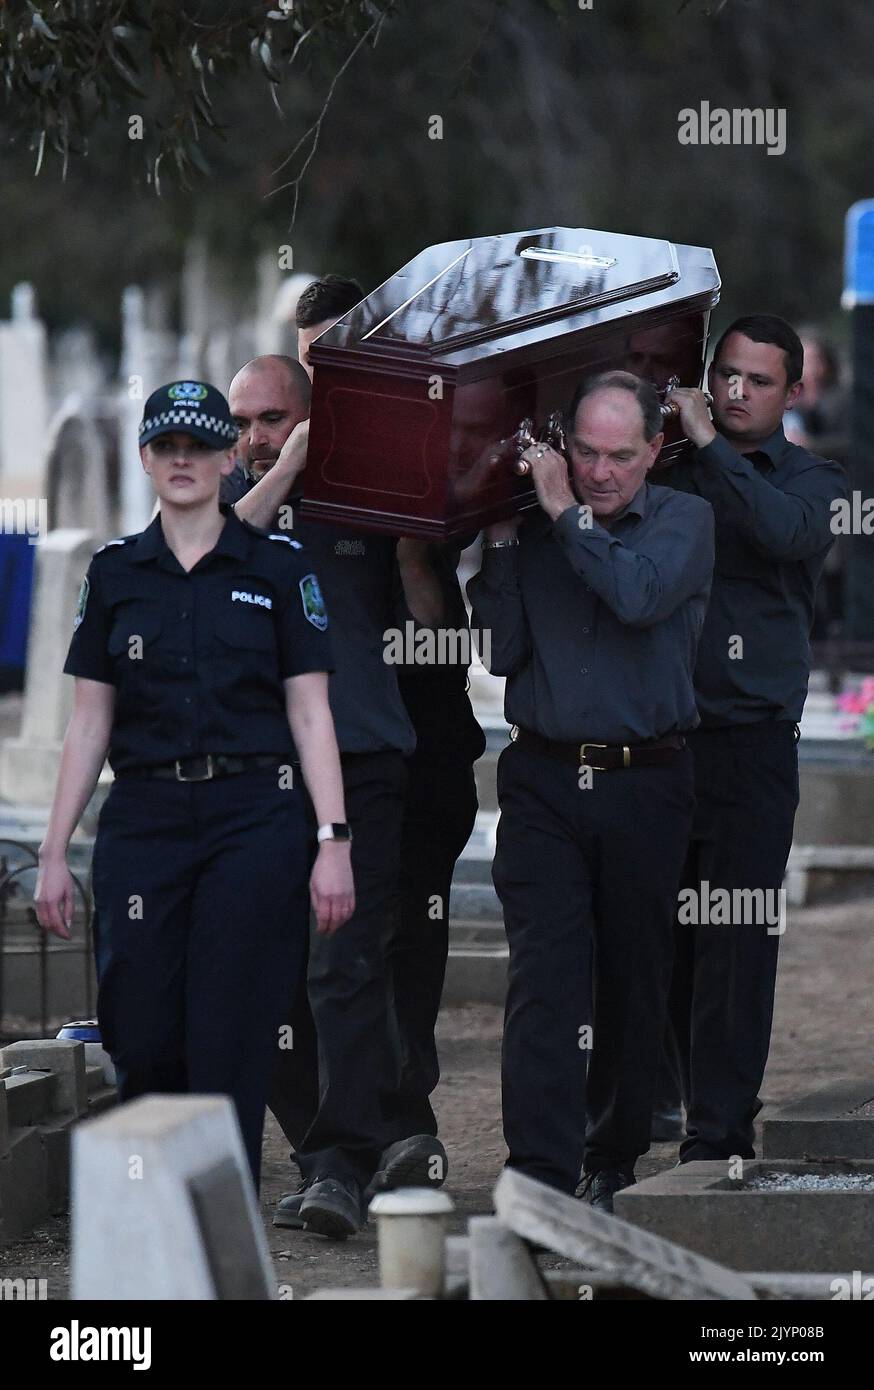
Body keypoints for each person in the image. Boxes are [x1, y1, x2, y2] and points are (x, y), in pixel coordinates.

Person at [33, 380, 354, 1189]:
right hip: (144, 819)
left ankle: (221, 1220)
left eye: (200, 447)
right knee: (138, 1027)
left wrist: (332, 841)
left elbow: (312, 713)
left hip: (255, 818)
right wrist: (52, 850)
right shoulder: (114, 575)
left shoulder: (277, 568)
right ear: (147, 458)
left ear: (224, 460)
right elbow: (89, 722)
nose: (183, 461)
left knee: (233, 1028)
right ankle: (152, 1211)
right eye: (167, 447)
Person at [467, 371, 714, 1211]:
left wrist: (566, 518)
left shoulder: (686, 521)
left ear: (654, 451)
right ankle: (537, 1167)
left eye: (619, 455)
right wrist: (502, 541)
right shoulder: (537, 530)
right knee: (545, 975)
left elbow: (638, 596)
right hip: (542, 777)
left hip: (647, 779)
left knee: (634, 972)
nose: (600, 472)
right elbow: (499, 654)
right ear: (563, 443)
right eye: (584, 452)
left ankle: (611, 1157)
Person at [227, 346, 435, 1239]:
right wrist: (283, 472)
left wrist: (420, 548)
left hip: (360, 758)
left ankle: (345, 1162)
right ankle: (342, 1151)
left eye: (272, 419)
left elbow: (433, 622)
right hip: (257, 776)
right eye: (240, 423)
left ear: (310, 417)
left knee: (343, 966)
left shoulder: (364, 492)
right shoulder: (234, 510)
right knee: (257, 979)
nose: (253, 438)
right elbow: (202, 561)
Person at [659, 315, 847, 1164]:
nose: (736, 392)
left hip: (752, 747)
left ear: (793, 392)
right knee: (652, 937)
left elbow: (782, 533)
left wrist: (710, 449)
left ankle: (718, 1134)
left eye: (758, 381)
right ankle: (645, 1113)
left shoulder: (816, 480)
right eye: (726, 374)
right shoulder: (667, 466)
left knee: (735, 946)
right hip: (657, 740)